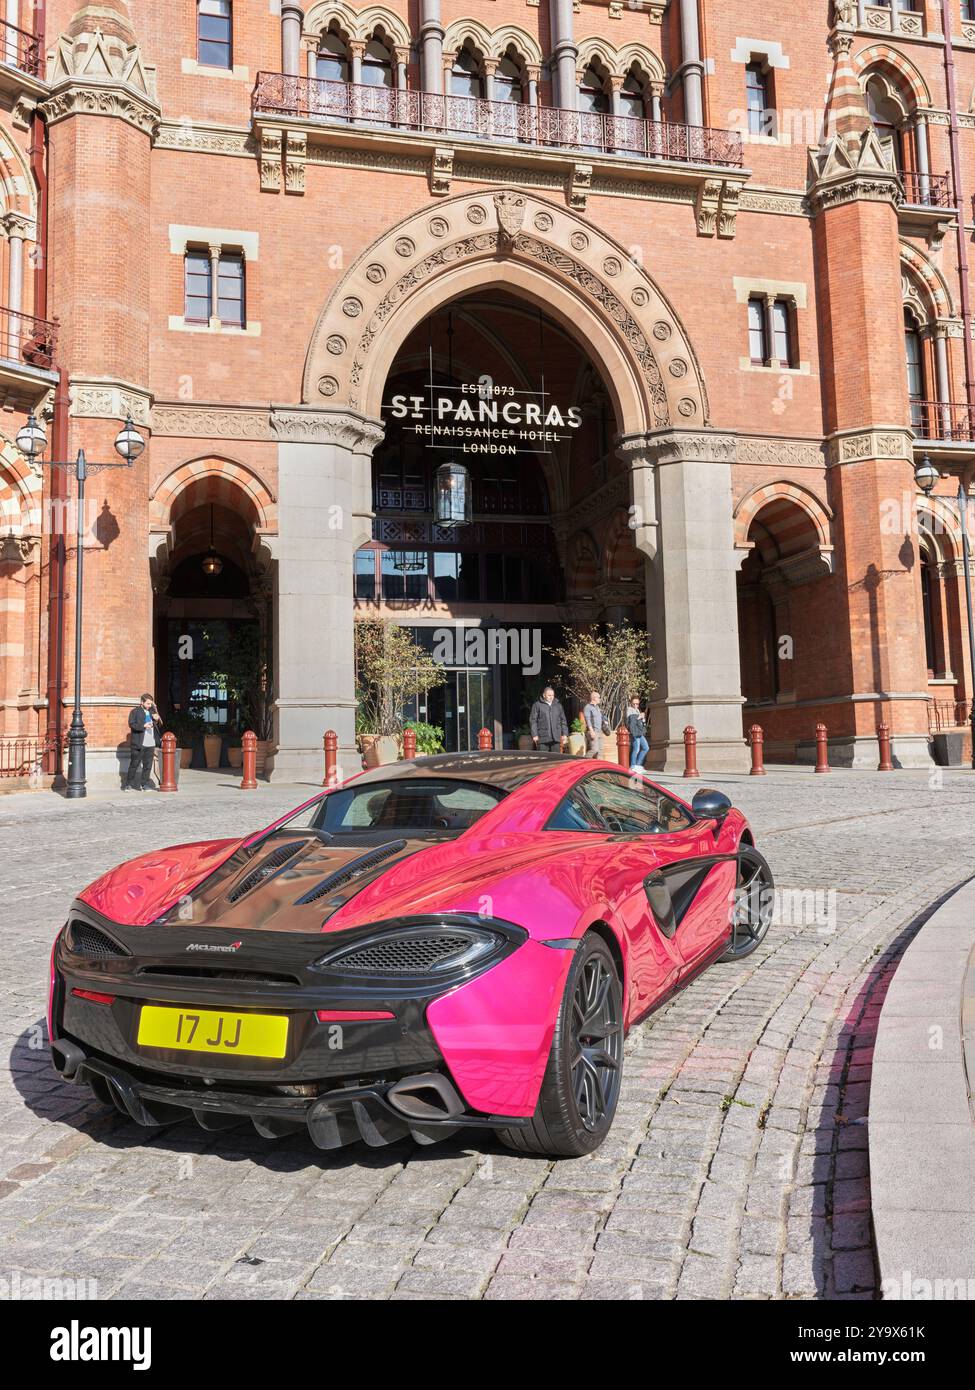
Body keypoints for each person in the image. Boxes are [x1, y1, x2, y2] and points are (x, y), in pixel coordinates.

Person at [125, 693, 162, 790]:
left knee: (148, 765)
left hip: (151, 742)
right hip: (139, 743)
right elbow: (131, 724)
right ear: (142, 702)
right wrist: (143, 726)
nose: (150, 706)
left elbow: (158, 725)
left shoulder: (152, 711)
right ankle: (128, 784)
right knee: (134, 764)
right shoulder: (135, 711)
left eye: (151, 704)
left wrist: (156, 719)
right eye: (148, 704)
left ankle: (144, 784)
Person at [530, 684, 568, 752]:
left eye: (552, 695)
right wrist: (534, 734)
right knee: (543, 759)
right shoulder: (537, 705)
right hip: (543, 738)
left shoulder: (558, 705)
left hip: (556, 737)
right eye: (549, 695)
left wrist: (565, 734)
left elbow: (563, 720)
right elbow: (533, 721)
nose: (551, 697)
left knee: (556, 759)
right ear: (544, 695)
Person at [626, 694, 649, 772]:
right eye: (634, 704)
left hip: (639, 732)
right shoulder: (629, 709)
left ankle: (638, 764)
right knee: (636, 749)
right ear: (631, 703)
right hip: (635, 732)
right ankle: (633, 766)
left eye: (637, 704)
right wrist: (639, 717)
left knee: (646, 748)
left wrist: (642, 719)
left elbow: (640, 722)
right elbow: (632, 722)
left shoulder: (637, 710)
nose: (635, 705)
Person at [583, 690, 608, 759]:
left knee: (600, 751)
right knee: (594, 750)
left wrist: (604, 722)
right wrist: (591, 731)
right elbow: (587, 720)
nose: (600, 699)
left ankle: (599, 766)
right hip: (593, 731)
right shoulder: (587, 707)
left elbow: (600, 718)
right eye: (599, 697)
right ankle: (583, 761)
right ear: (594, 698)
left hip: (599, 731)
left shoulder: (597, 707)